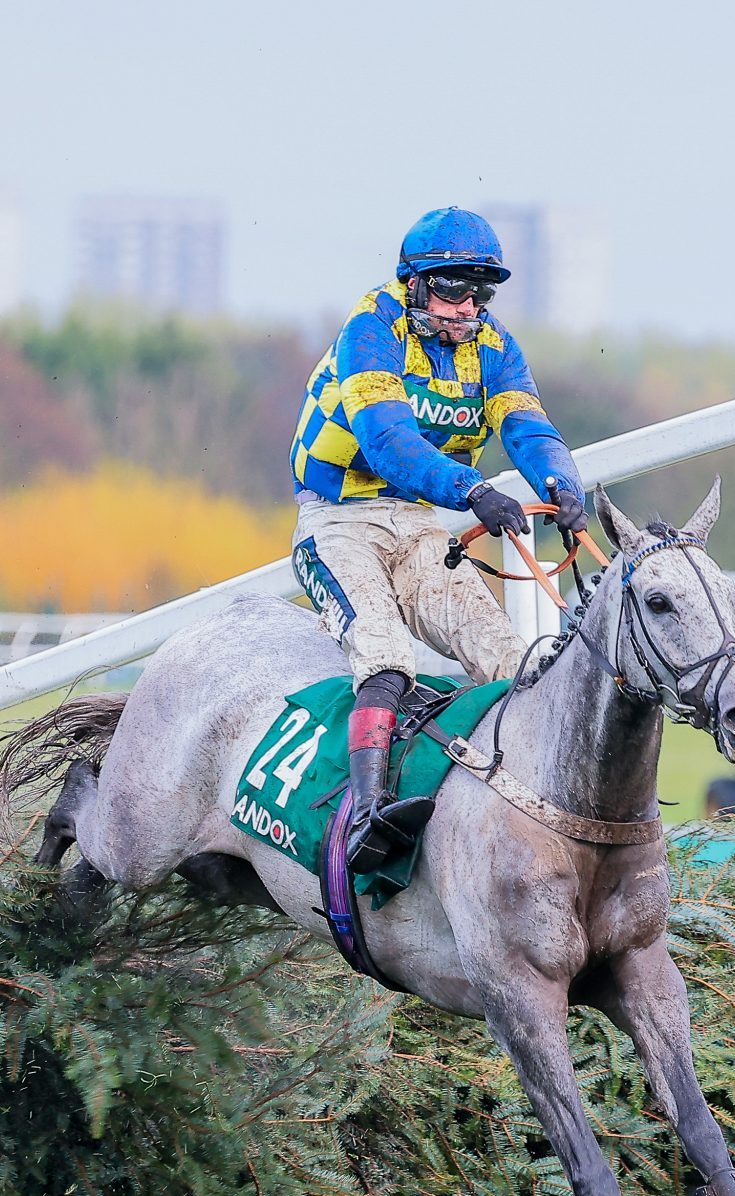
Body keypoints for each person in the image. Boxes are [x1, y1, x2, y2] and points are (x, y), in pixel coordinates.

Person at [289, 206, 590, 869]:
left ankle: (541, 808)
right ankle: (366, 819)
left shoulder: (495, 347)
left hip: (420, 525)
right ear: (415, 283)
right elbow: (387, 440)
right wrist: (474, 490)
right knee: (388, 656)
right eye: (452, 289)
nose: (466, 308)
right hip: (337, 522)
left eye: (478, 292)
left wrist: (563, 483)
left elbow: (527, 427)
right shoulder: (371, 329)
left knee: (511, 657)